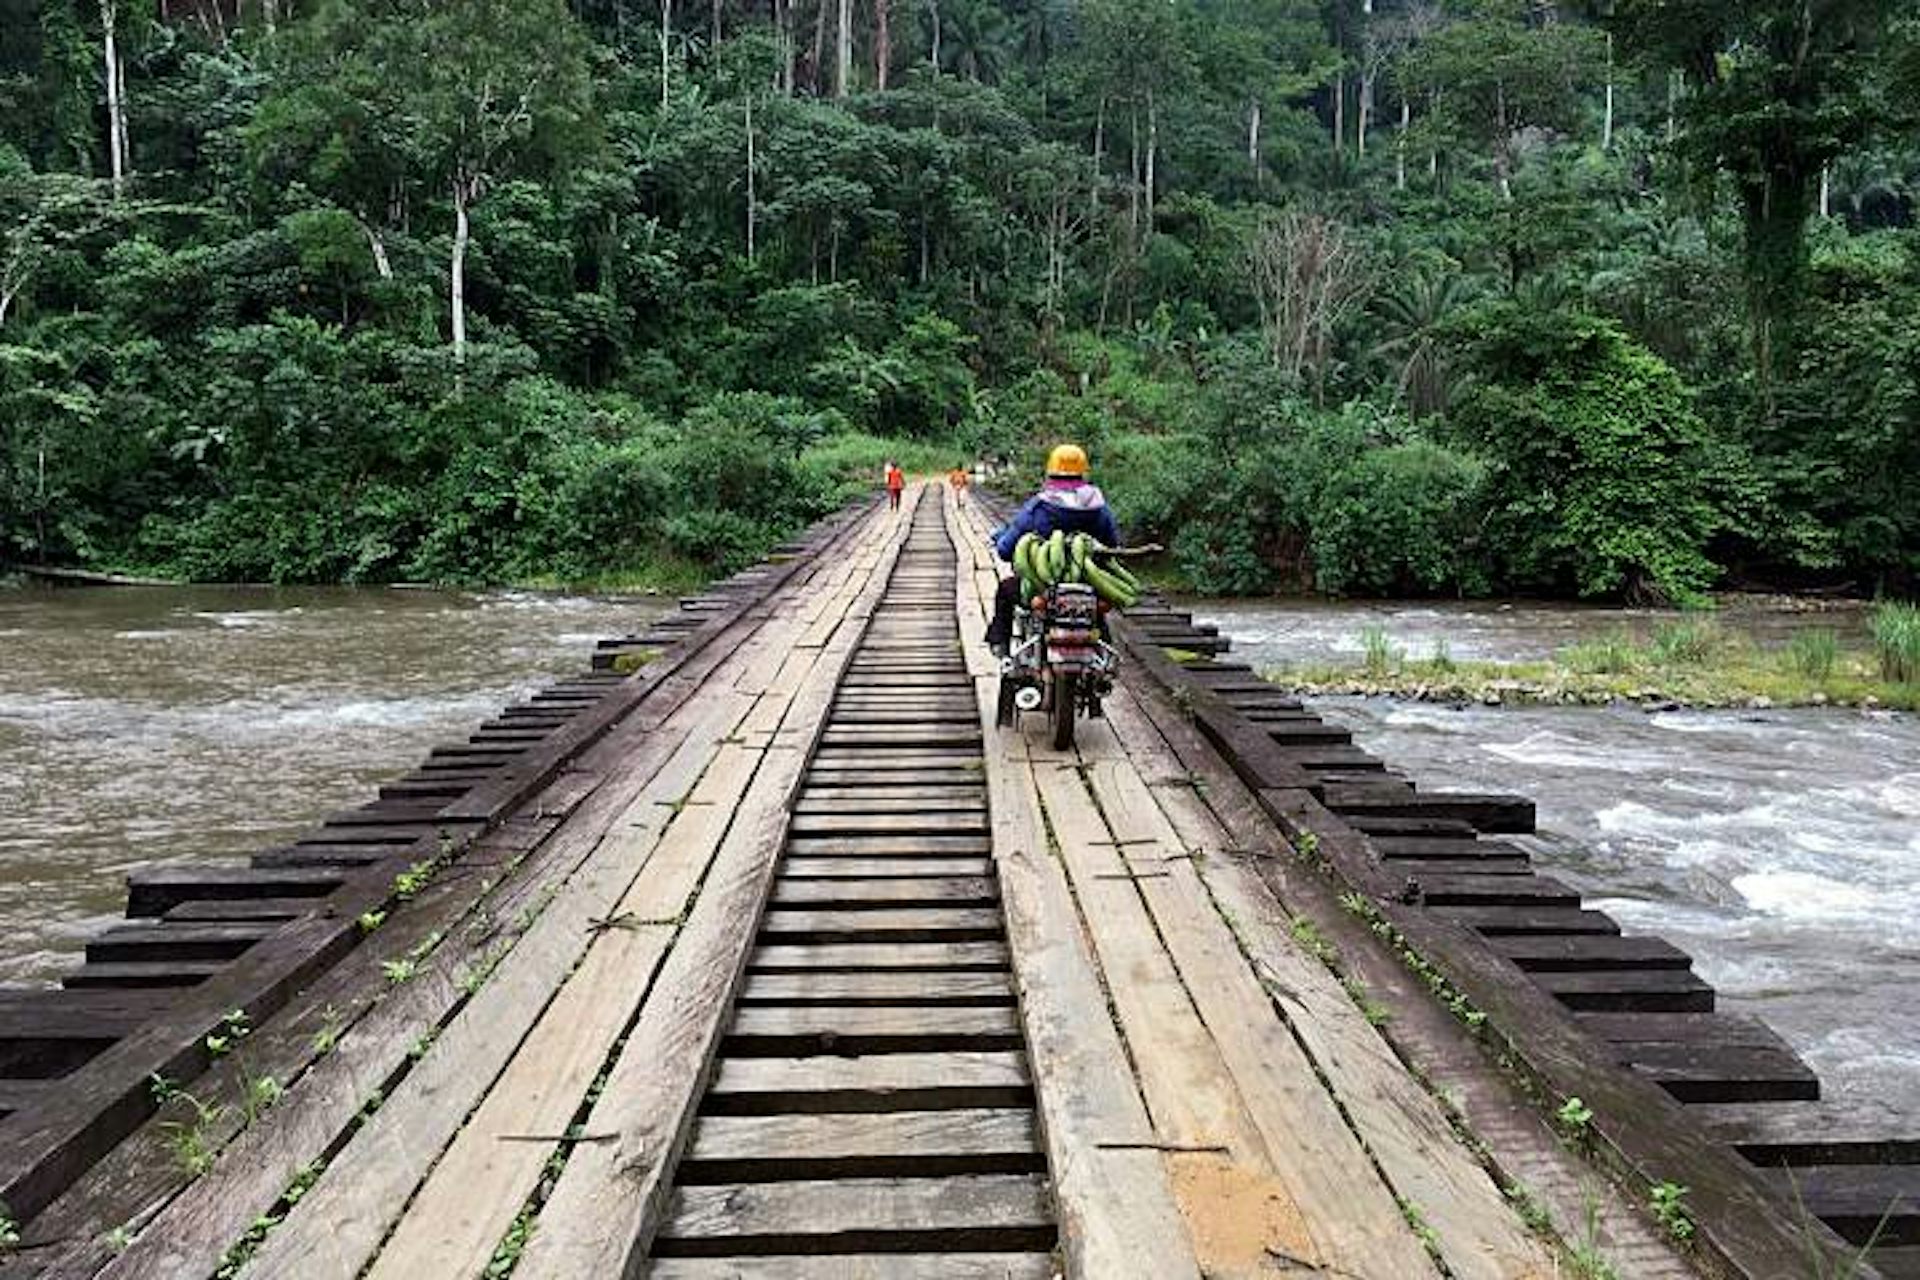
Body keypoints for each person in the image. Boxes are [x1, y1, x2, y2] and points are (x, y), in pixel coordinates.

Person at [985, 443, 1120, 657]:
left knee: (1006, 590)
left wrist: (1003, 541)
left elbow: (1005, 550)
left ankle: (999, 645)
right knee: (1095, 612)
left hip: (1043, 587)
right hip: (1089, 587)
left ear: (1050, 472)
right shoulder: (1099, 508)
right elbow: (1112, 546)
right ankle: (1103, 652)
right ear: (1084, 473)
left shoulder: (1039, 507)